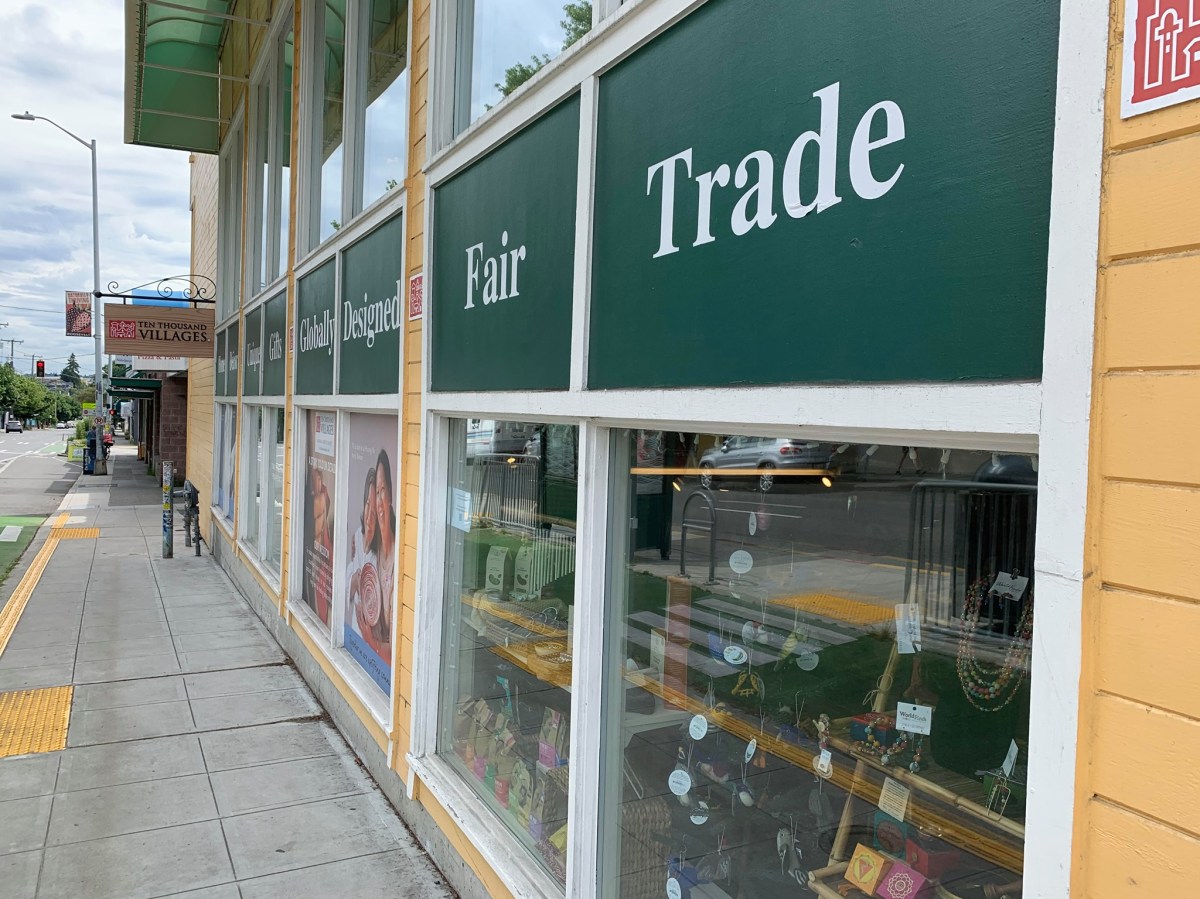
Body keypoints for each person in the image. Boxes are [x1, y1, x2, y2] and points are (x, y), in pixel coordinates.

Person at [357, 450, 396, 661]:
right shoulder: (372, 552)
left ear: (390, 497)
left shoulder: (399, 559)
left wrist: (372, 642)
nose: (378, 503)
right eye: (375, 496)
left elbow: (396, 651)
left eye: (382, 491)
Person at [347, 469, 378, 636]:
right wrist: (354, 581)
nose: (369, 517)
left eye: (375, 511)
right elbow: (348, 582)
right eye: (367, 504)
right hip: (354, 630)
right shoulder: (358, 536)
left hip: (369, 639)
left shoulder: (380, 555)